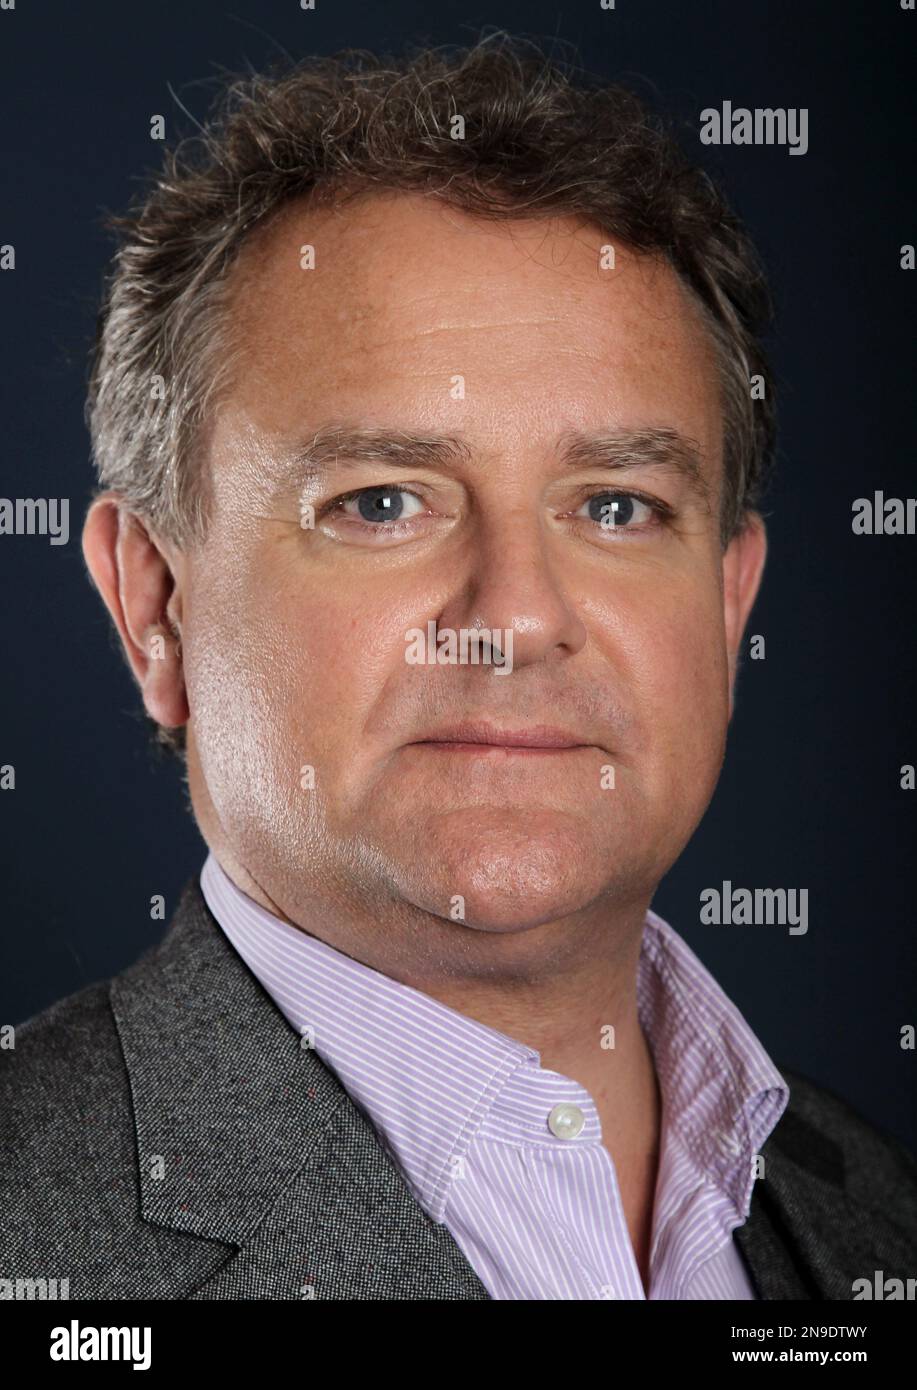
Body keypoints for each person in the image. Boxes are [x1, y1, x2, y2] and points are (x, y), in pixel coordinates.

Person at [3, 34, 915, 1301]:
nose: (516, 617)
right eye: (382, 502)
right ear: (155, 604)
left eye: (614, 505)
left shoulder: (873, 1212)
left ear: (724, 605)